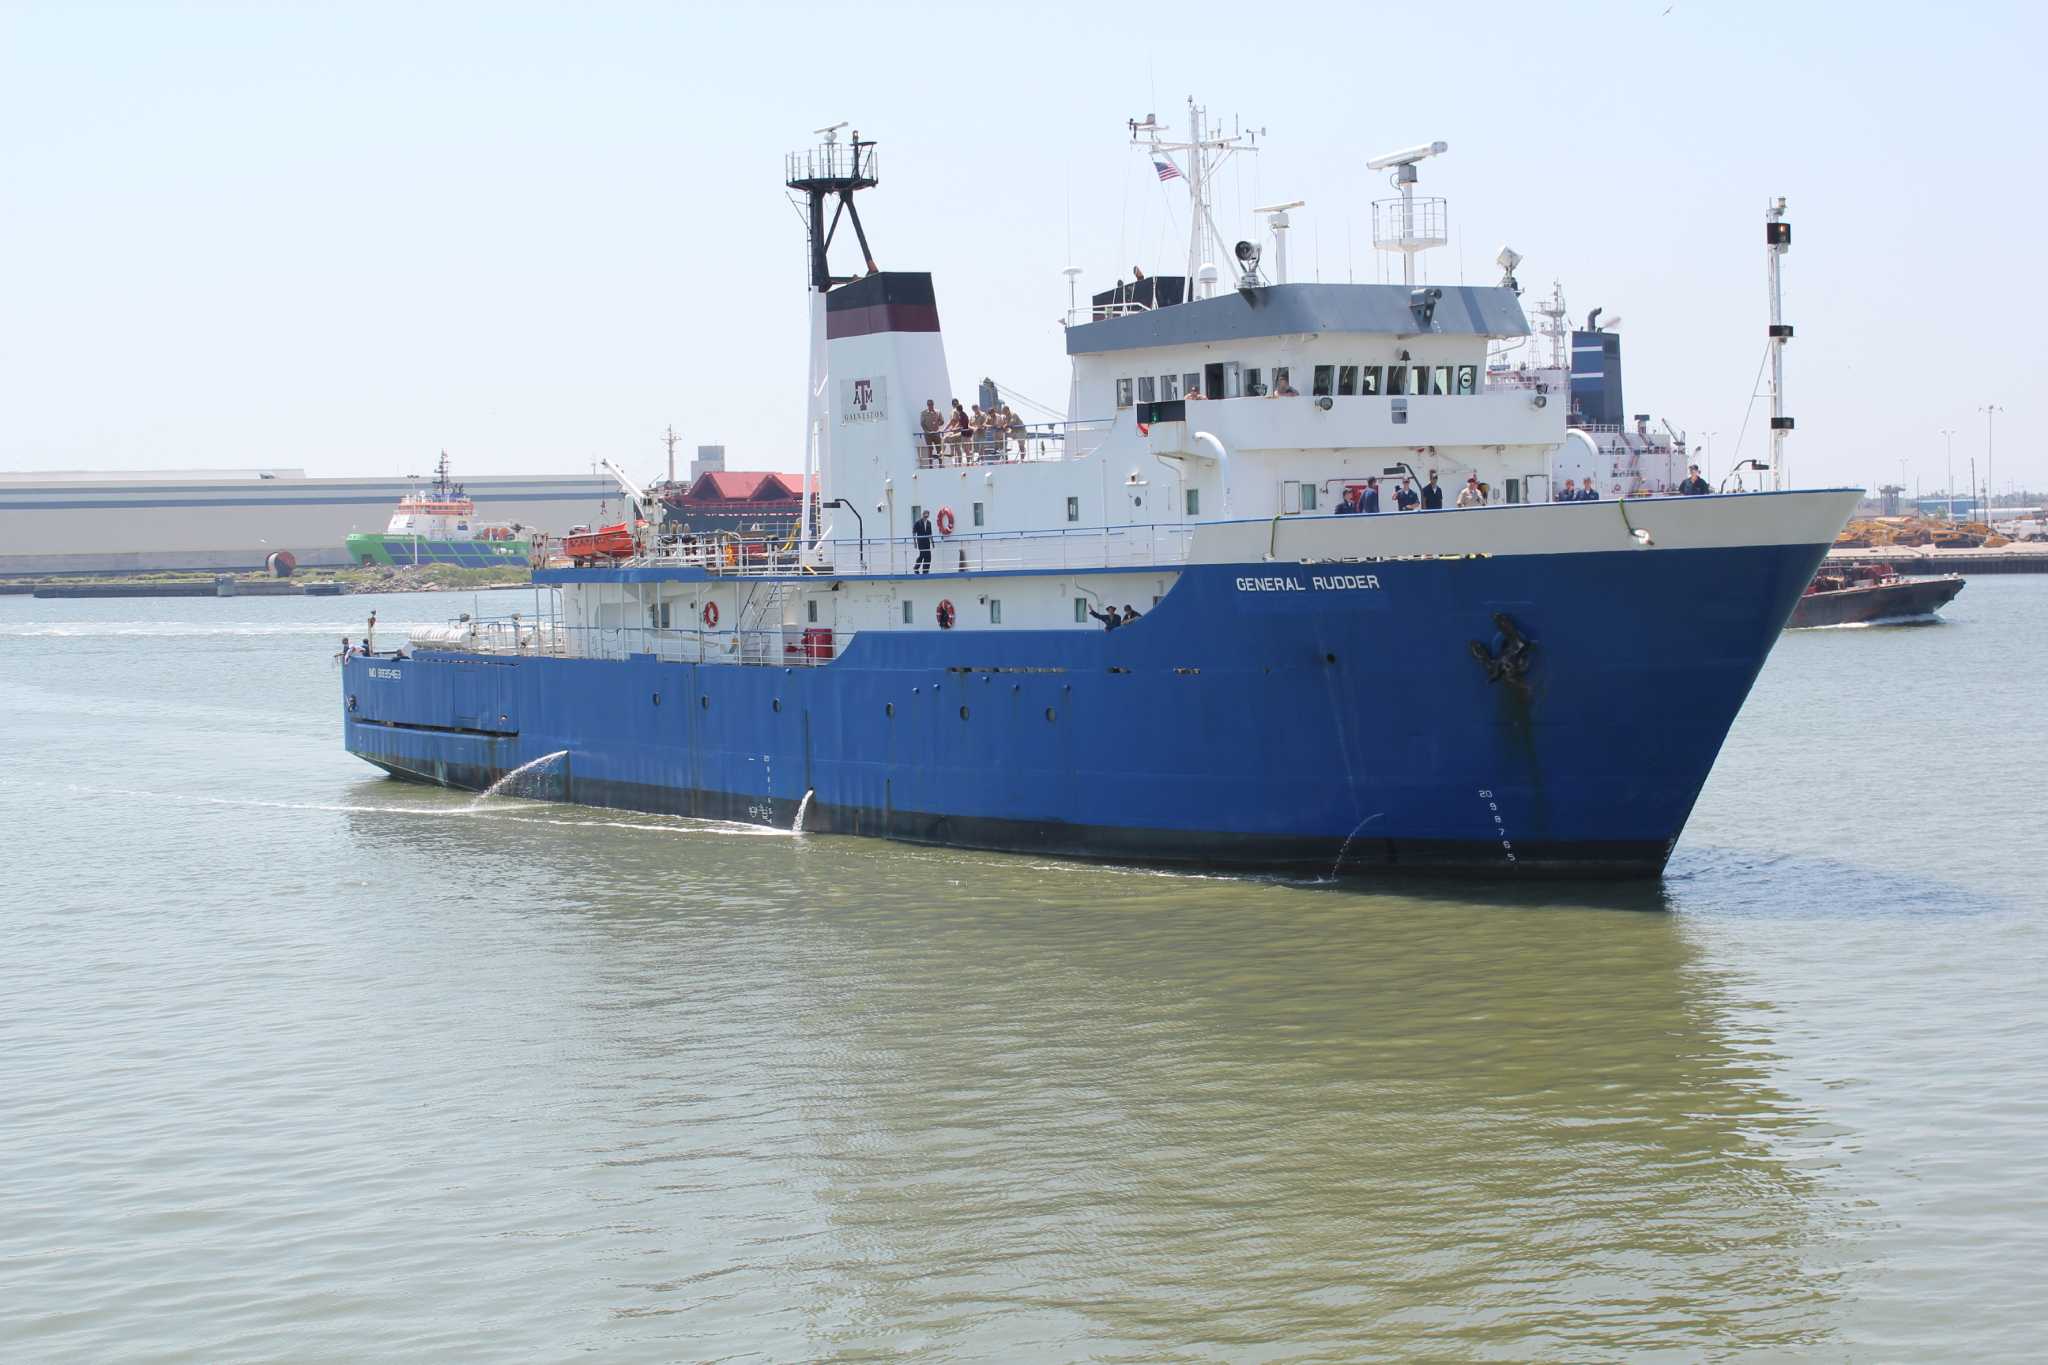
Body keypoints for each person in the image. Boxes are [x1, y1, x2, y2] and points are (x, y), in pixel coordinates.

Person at [912, 508, 933, 574]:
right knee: (922, 555)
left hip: (927, 542)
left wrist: (932, 542)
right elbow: (914, 532)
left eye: (927, 515)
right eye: (925, 514)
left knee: (928, 556)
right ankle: (916, 567)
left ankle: (925, 570)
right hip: (920, 542)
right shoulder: (918, 523)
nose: (926, 516)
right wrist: (915, 542)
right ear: (923, 515)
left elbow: (930, 534)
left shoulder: (929, 523)